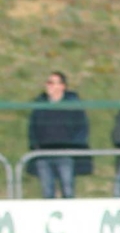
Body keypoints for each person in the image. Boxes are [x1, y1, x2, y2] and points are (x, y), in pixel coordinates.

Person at [27, 71, 90, 199]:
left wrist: (74, 147)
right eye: (48, 82)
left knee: (67, 190)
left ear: (62, 86)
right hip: (43, 154)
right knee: (47, 191)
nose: (48, 85)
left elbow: (82, 127)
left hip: (65, 154)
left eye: (52, 82)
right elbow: (32, 127)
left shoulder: (73, 105)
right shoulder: (40, 104)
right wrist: (35, 145)